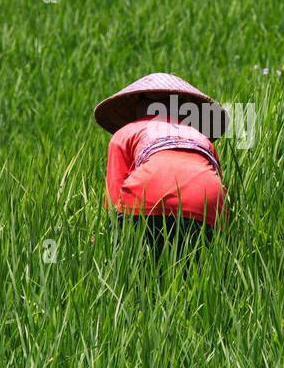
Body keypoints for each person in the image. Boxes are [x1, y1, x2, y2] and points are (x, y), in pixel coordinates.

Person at [95, 73, 228, 249]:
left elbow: (113, 199)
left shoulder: (126, 132)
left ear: (139, 107)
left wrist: (104, 237)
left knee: (139, 269)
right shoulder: (202, 138)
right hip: (206, 202)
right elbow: (216, 181)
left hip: (145, 198)